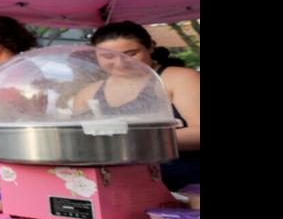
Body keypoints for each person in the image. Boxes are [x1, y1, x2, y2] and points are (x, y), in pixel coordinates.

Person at [82, 21, 200, 189]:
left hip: (186, 184)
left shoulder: (180, 78)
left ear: (150, 47)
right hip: (121, 186)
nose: (120, 63)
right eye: (108, 56)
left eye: (131, 54)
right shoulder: (89, 92)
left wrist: (132, 137)